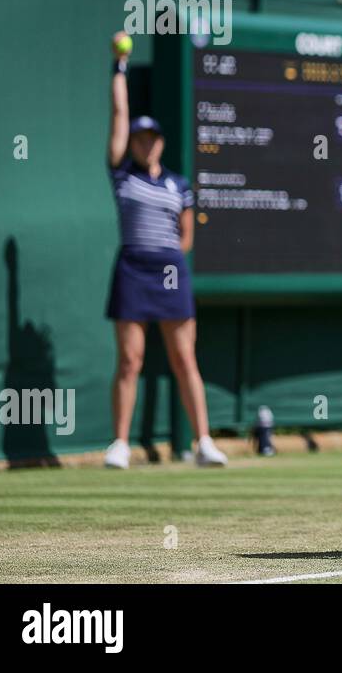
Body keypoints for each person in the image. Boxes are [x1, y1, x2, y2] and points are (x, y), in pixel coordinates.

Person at [103, 32, 227, 470]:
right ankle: (120, 444)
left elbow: (186, 235)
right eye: (140, 138)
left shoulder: (180, 185)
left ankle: (203, 442)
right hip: (133, 266)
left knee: (183, 357)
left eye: (152, 137)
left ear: (161, 142)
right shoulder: (121, 175)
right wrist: (119, 69)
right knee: (130, 359)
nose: (146, 143)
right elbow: (120, 114)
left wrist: (171, 257)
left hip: (170, 268)